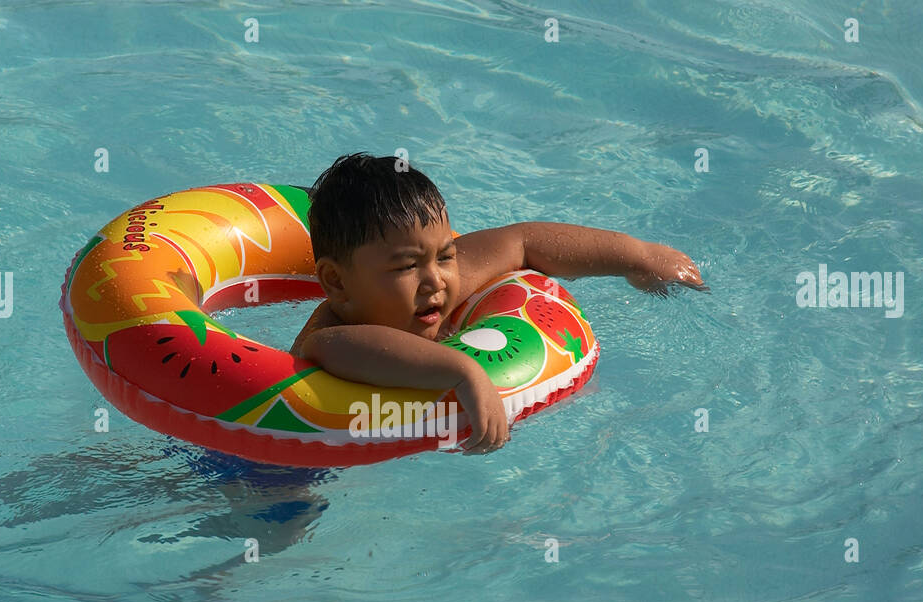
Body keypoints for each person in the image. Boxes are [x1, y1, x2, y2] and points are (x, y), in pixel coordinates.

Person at [289, 152, 707, 454]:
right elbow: (347, 349)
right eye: (406, 266)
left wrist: (638, 257)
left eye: (445, 255)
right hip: (301, 459)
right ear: (336, 282)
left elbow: (521, 240)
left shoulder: (438, 285)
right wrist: (464, 370)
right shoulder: (328, 336)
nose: (434, 279)